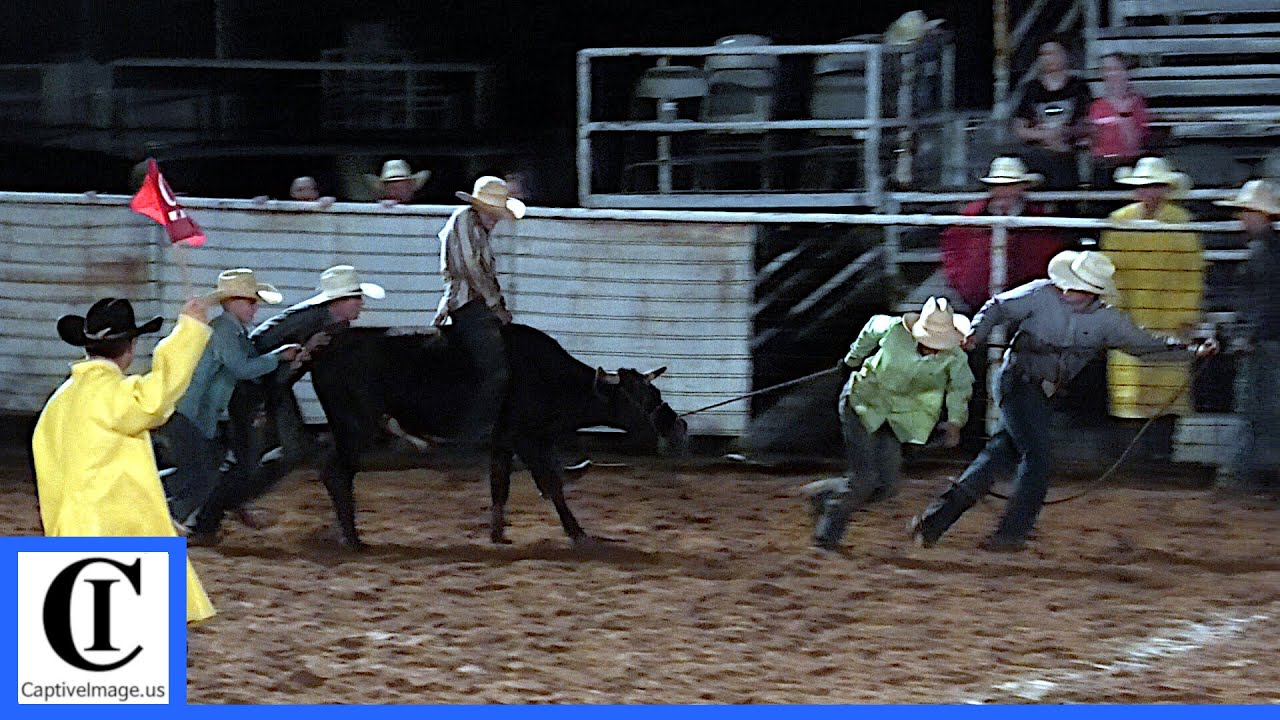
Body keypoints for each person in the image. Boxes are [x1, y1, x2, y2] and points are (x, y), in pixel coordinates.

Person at [908, 250, 1219, 552]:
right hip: (1018, 381)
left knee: (999, 455)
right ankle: (1010, 534)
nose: (1068, 290)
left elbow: (1145, 345)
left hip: (1041, 392)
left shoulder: (1107, 321)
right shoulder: (1041, 294)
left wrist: (1191, 352)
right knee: (1038, 459)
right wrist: (976, 333)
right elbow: (997, 307)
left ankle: (935, 521)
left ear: (1091, 292)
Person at [32, 296, 218, 623]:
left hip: (70, 533)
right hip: (112, 538)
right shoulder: (109, 394)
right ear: (130, 348)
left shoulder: (59, 403)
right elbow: (155, 399)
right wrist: (189, 331)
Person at [805, 297, 975, 551]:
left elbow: (959, 389)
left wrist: (955, 422)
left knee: (886, 486)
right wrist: (853, 358)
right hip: (862, 405)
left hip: (898, 421)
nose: (932, 347)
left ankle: (825, 495)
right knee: (864, 481)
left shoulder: (955, 358)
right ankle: (826, 537)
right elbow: (871, 328)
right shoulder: (894, 329)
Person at [158, 269, 301, 541]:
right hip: (190, 413)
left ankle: (164, 511)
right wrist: (278, 357)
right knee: (201, 475)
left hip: (191, 413)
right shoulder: (225, 330)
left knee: (198, 472)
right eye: (250, 301)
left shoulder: (229, 331)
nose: (254, 307)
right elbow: (241, 368)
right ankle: (168, 519)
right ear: (233, 302)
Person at [246, 265, 384, 489]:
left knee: (287, 449)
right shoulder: (311, 319)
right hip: (260, 383)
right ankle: (233, 495)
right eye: (356, 297)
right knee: (283, 449)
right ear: (337, 301)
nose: (361, 302)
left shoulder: (335, 324)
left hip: (275, 385)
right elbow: (257, 344)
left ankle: (238, 495)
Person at [1101, 157, 1202, 422]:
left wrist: (1186, 315)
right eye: (1145, 186)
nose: (1150, 192)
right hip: (1129, 315)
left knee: (1167, 396)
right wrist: (1112, 311)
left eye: (1156, 185)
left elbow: (1192, 273)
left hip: (1169, 319)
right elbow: (1108, 271)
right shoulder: (1118, 222)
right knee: (1129, 395)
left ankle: (1162, 458)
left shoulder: (1182, 223)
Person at [432, 175, 526, 445]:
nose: (495, 220)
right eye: (493, 214)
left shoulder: (474, 226)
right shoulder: (463, 220)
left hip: (474, 305)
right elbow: (472, 270)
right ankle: (475, 433)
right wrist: (497, 307)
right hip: (468, 306)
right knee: (496, 371)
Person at [927, 157, 1067, 313]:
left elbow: (1046, 257)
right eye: (998, 186)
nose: (1004, 191)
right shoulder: (970, 219)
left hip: (1027, 303)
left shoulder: (1040, 223)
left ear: (1022, 187)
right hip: (974, 299)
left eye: (1010, 185)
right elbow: (955, 251)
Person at [1216, 180, 1280, 489]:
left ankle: (1239, 475)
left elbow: (1264, 300)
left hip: (1265, 339)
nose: (1243, 217)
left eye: (1248, 211)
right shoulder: (1267, 250)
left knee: (1252, 407)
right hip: (1267, 337)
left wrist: (1246, 334)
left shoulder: (1262, 253)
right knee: (1262, 408)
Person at [1013, 39, 1093, 189]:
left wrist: (1064, 133)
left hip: (1070, 154)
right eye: (1044, 54)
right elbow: (1020, 129)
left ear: (1064, 56)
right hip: (1039, 154)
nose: (1048, 58)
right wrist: (1045, 136)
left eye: (1053, 53)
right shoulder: (1031, 89)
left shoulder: (1079, 87)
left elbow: (1088, 124)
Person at [1087, 53, 1150, 189]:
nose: (1111, 74)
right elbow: (1095, 144)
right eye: (1107, 70)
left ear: (1125, 73)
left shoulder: (1136, 103)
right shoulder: (1096, 106)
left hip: (1128, 166)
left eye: (1116, 69)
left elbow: (1133, 144)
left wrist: (1123, 112)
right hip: (1103, 167)